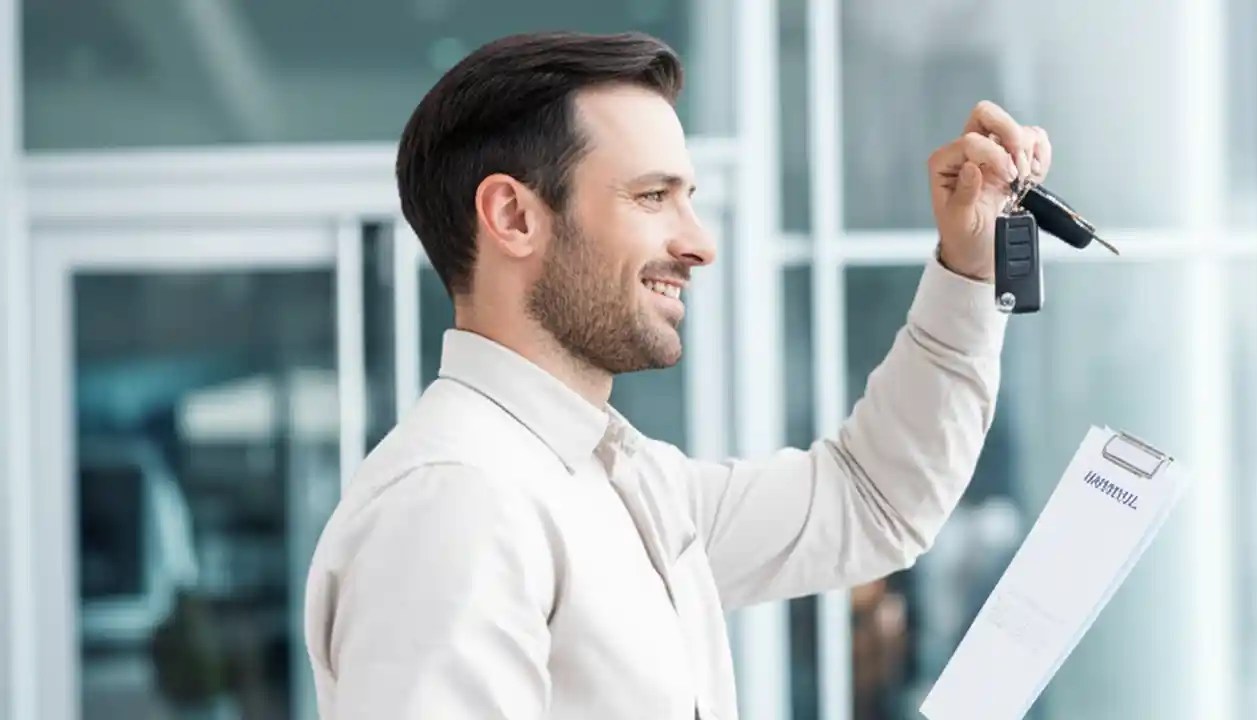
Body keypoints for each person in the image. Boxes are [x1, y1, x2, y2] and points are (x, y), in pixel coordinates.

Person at [303, 30, 1051, 720]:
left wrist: (968, 266)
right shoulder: (455, 504)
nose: (698, 243)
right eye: (653, 197)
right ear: (514, 216)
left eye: (687, 198)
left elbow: (873, 500)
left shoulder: (628, 485)